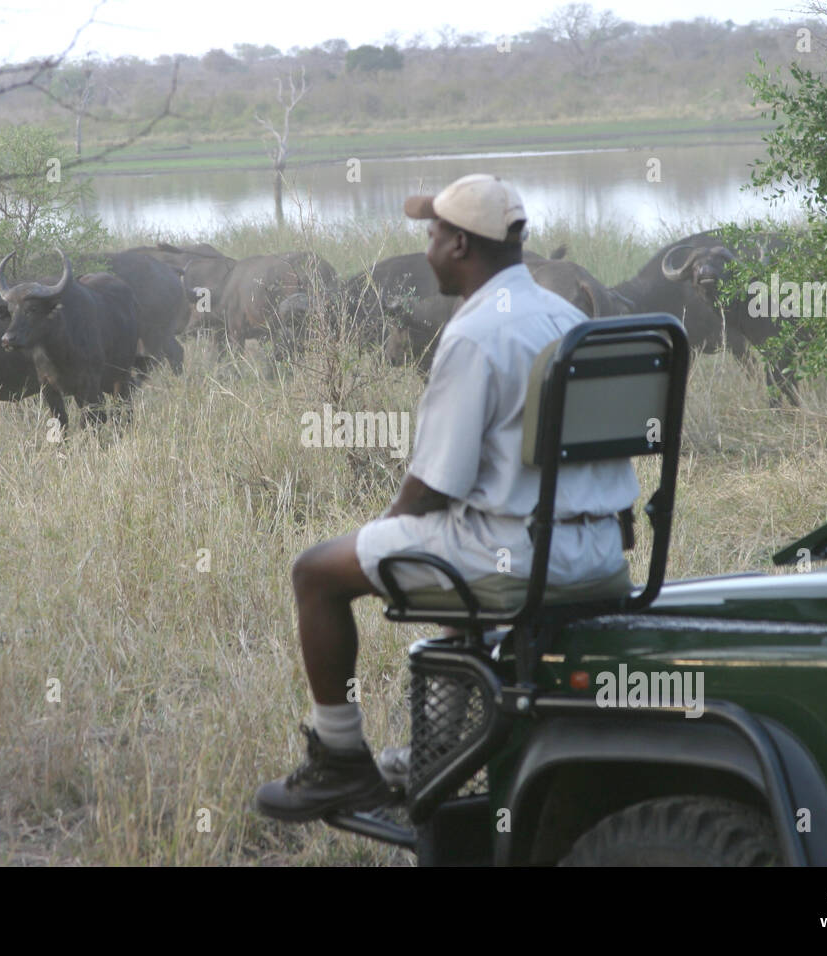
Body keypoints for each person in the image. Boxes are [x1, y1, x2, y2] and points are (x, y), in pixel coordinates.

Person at [253, 173, 639, 822]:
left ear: (461, 245)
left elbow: (432, 487)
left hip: (514, 555)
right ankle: (436, 757)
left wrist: (385, 534)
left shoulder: (474, 334)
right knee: (448, 576)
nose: (427, 250)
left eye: (433, 236)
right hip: (599, 554)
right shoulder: (569, 316)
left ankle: (340, 762)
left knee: (317, 572)